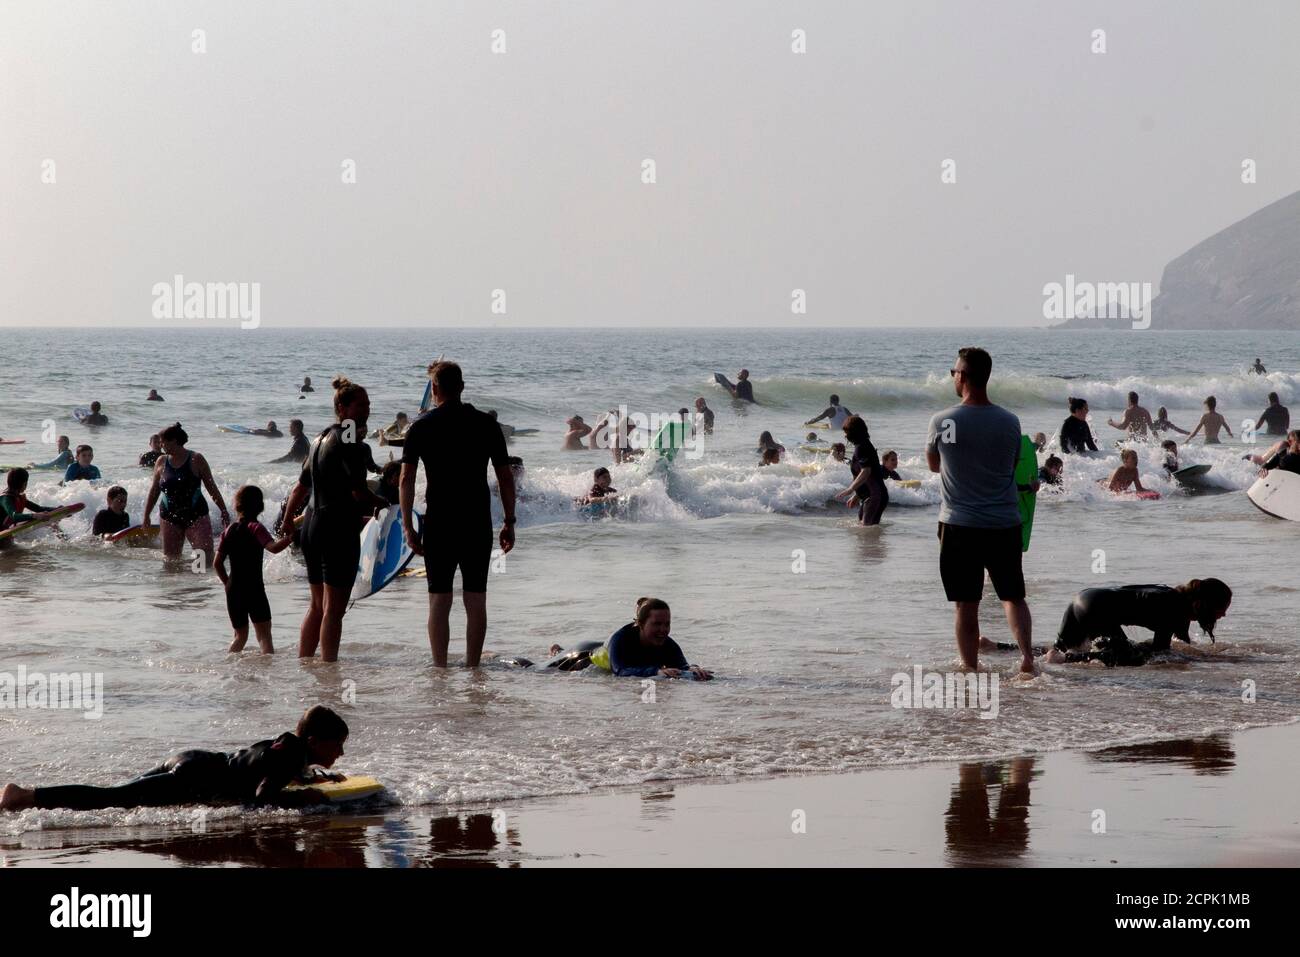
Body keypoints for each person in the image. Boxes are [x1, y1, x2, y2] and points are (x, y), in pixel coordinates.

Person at [1, 706, 349, 811]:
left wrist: (316, 778)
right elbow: (264, 796)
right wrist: (301, 798)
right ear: (315, 741)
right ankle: (26, 795)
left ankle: (29, 795)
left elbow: (271, 773)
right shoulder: (290, 757)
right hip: (192, 778)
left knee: (120, 794)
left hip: (192, 760)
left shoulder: (288, 748)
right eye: (338, 745)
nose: (341, 752)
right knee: (114, 798)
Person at [400, 361, 516, 668]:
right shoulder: (486, 424)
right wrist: (509, 521)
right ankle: (473, 665)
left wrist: (409, 527)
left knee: (439, 599)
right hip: (477, 521)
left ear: (434, 389)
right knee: (475, 598)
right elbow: (505, 477)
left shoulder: (420, 427)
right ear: (462, 387)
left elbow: (405, 480)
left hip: (440, 522)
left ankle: (440, 668)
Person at [926, 347, 1034, 675]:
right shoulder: (1009, 421)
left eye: (953, 372)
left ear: (964, 377)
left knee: (966, 603)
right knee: (1013, 597)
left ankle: (970, 667)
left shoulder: (943, 421)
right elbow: (1012, 465)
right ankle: (1028, 661)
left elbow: (934, 466)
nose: (952, 376)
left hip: (960, 524)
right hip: (1004, 523)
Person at [279, 378, 388, 662]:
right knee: (333, 610)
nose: (367, 408)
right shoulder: (350, 438)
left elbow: (299, 488)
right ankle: (329, 671)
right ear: (342, 407)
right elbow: (358, 491)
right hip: (337, 529)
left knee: (317, 605)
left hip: (312, 527)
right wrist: (384, 504)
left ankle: (305, 664)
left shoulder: (319, 439)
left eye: (368, 403)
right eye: (361, 404)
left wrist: (289, 520)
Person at [1041, 579, 1232, 667]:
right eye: (1221, 609)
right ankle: (1064, 660)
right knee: (1129, 658)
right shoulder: (1175, 609)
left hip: (1085, 597)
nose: (1223, 614)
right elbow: (1161, 653)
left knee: (1061, 647)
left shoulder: (1176, 600)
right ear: (1203, 605)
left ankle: (1021, 651)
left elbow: (1182, 646)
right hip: (1096, 607)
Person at [215, 485, 294, 654]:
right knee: (264, 636)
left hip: (233, 589)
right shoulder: (256, 528)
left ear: (237, 505)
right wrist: (291, 538)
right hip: (254, 588)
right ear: (260, 506)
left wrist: (228, 584)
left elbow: (217, 563)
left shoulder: (228, 531)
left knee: (239, 637)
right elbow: (273, 548)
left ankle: (229, 667)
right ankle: (268, 672)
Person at [143, 422, 231, 567]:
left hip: (196, 514)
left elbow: (211, 487)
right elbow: (154, 490)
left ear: (174, 441)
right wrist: (146, 515)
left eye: (163, 442)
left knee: (203, 560)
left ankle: (200, 587)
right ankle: (178, 587)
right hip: (169, 515)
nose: (161, 445)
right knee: (171, 562)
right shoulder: (161, 461)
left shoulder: (196, 459)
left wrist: (223, 509)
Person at [596, 597, 712, 679]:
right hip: (587, 654)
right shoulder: (620, 640)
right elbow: (619, 671)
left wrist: (694, 669)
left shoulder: (668, 644)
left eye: (667, 624)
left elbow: (682, 666)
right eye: (657, 624)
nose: (663, 630)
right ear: (641, 624)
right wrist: (656, 671)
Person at [835, 415, 889, 526]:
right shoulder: (862, 445)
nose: (845, 436)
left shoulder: (862, 447)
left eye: (846, 432)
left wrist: (850, 489)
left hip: (875, 495)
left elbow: (866, 471)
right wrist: (857, 495)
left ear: (853, 432)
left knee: (866, 531)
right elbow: (866, 474)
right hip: (869, 496)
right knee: (864, 530)